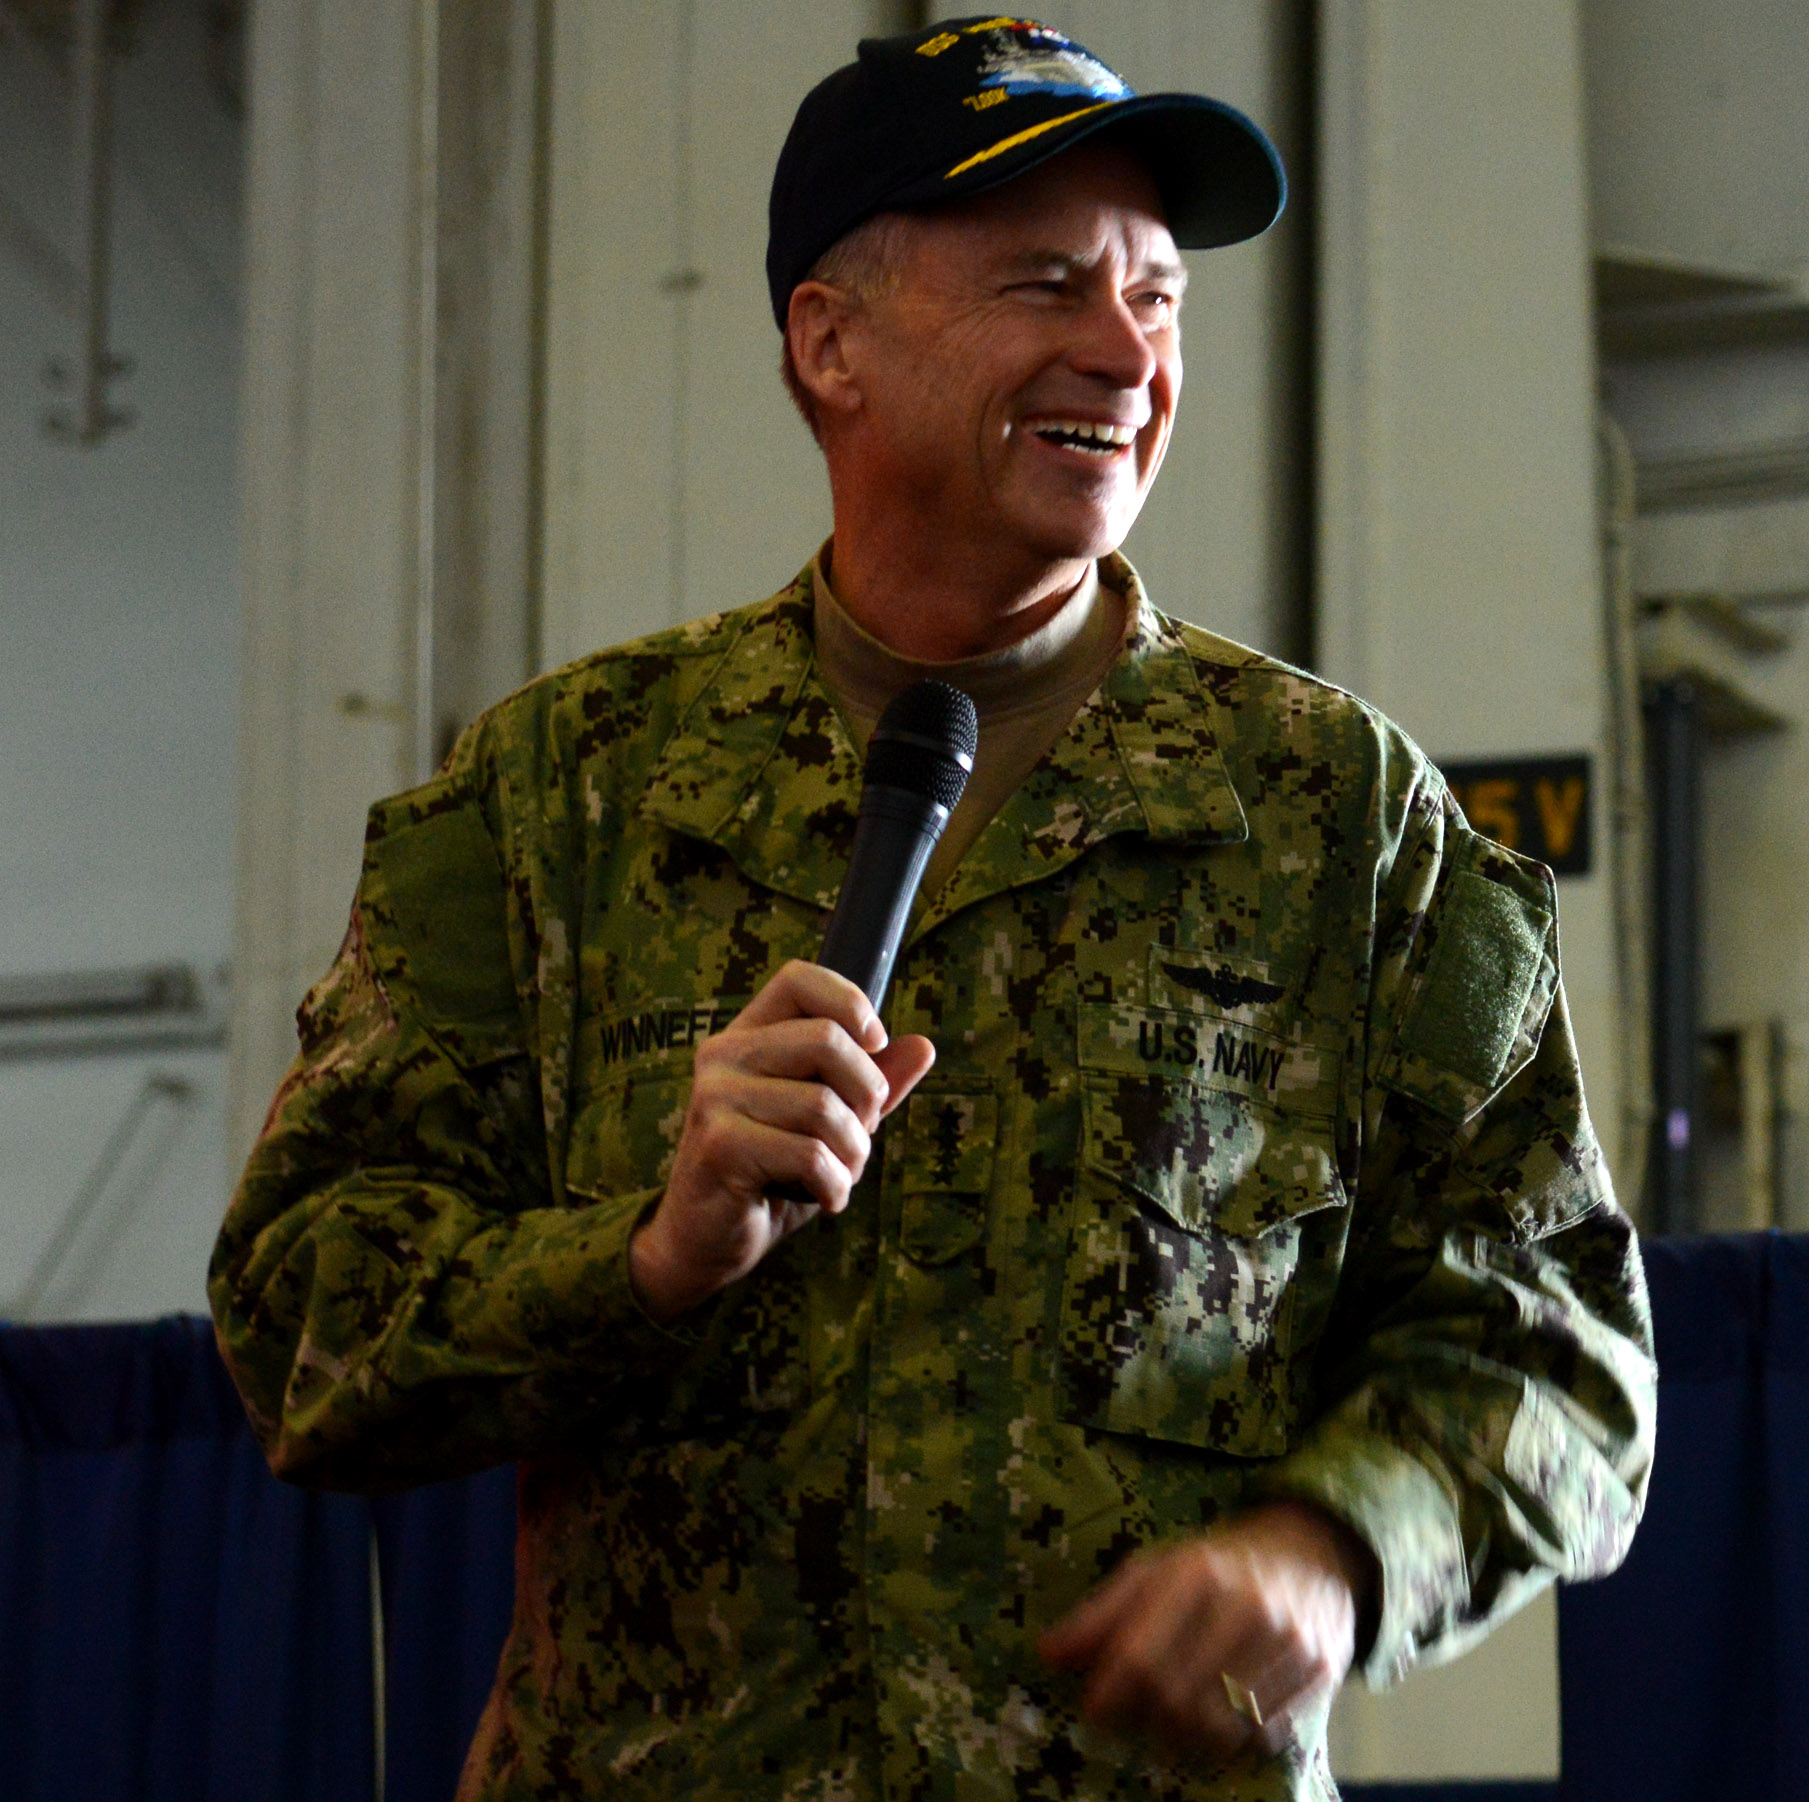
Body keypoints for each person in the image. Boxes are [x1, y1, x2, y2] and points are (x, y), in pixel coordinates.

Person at [209, 18, 1655, 1801]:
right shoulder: (563, 794)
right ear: (832, 344)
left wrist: (1337, 1552)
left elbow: (1563, 1347)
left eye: (1158, 297)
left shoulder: (1339, 815)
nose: (1127, 350)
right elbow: (298, 1316)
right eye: (1049, 284)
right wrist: (641, 1256)